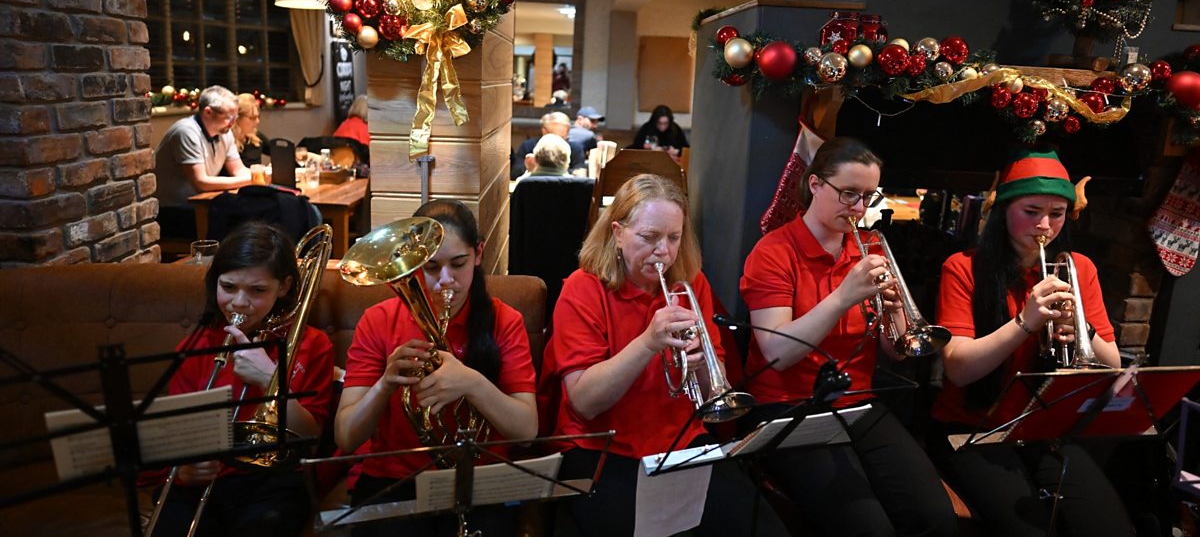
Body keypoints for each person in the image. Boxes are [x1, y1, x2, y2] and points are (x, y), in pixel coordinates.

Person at [540, 174, 789, 537]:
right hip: (600, 447)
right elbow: (584, 402)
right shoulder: (582, 289)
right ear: (618, 233)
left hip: (681, 440)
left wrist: (703, 364)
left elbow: (713, 396)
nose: (664, 252)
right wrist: (647, 343)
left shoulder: (690, 283)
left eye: (674, 238)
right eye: (649, 237)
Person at [739, 136, 958, 537]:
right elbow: (776, 353)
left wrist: (894, 310)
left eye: (868, 197)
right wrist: (843, 298)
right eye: (848, 194)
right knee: (868, 528)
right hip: (787, 406)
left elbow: (896, 353)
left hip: (858, 402)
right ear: (815, 185)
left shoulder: (871, 246)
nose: (858, 209)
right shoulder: (773, 252)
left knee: (936, 518)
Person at [930, 149, 1133, 537]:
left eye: (1056, 214)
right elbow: (957, 368)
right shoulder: (963, 267)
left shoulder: (1079, 267)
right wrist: (1026, 322)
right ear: (1004, 209)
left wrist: (1083, 330)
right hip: (972, 429)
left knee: (1110, 528)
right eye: (1031, 210)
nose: (1044, 225)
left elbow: (1112, 366)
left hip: (1045, 427)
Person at [334, 200, 538, 537]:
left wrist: (471, 382)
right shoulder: (379, 321)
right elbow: (346, 435)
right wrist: (386, 383)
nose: (446, 281)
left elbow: (527, 431)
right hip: (394, 476)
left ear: (478, 254)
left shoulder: (505, 321)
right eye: (430, 268)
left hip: (479, 478)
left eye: (458, 264)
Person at [150, 221, 334, 537]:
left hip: (275, 478)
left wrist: (270, 379)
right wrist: (186, 470)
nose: (239, 303)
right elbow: (179, 437)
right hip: (212, 479)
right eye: (229, 287)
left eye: (258, 290)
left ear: (285, 287)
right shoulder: (195, 347)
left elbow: (310, 436)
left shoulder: (312, 344)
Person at [154, 85, 252, 239]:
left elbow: (239, 170)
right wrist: (249, 179)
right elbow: (201, 182)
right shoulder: (186, 132)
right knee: (241, 221)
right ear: (208, 112)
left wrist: (263, 176)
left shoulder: (224, 132)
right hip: (172, 211)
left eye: (235, 117)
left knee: (256, 210)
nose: (233, 123)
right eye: (228, 117)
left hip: (201, 206)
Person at [510, 111, 585, 180]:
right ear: (544, 131)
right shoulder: (528, 146)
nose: (558, 142)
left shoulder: (575, 148)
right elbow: (515, 173)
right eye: (554, 136)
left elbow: (579, 174)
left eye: (563, 137)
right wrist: (530, 165)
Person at [233, 93, 270, 166]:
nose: (258, 121)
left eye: (258, 117)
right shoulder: (227, 142)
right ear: (237, 118)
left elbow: (277, 151)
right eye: (252, 118)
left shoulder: (255, 136)